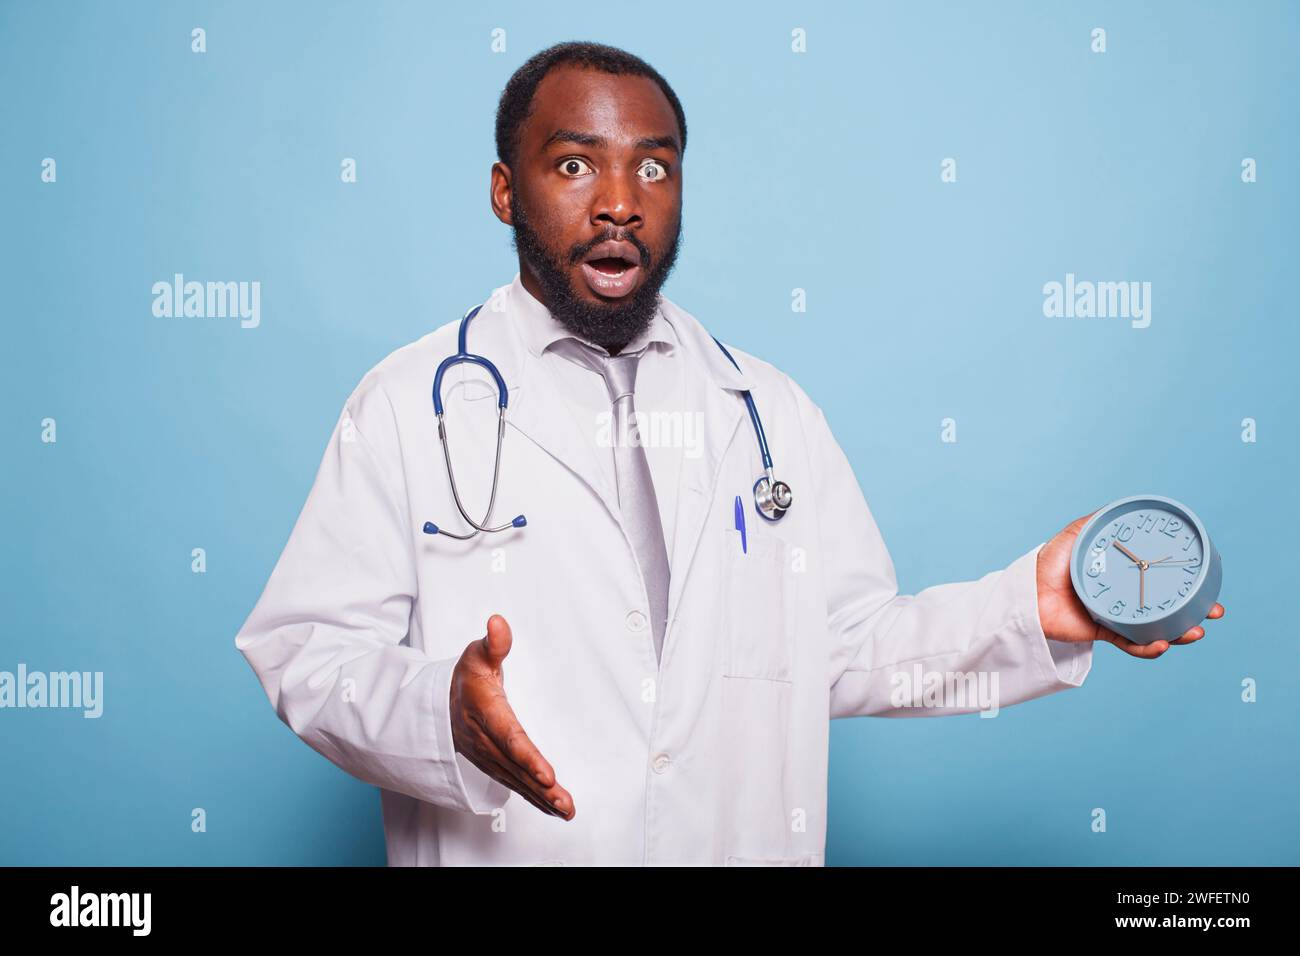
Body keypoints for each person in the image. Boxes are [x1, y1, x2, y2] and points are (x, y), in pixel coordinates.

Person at [234, 41, 1226, 866]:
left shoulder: (767, 410)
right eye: (574, 164)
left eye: (652, 167)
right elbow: (302, 653)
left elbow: (839, 649)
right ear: (505, 189)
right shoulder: (411, 402)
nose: (619, 200)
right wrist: (435, 705)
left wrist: (1028, 608)